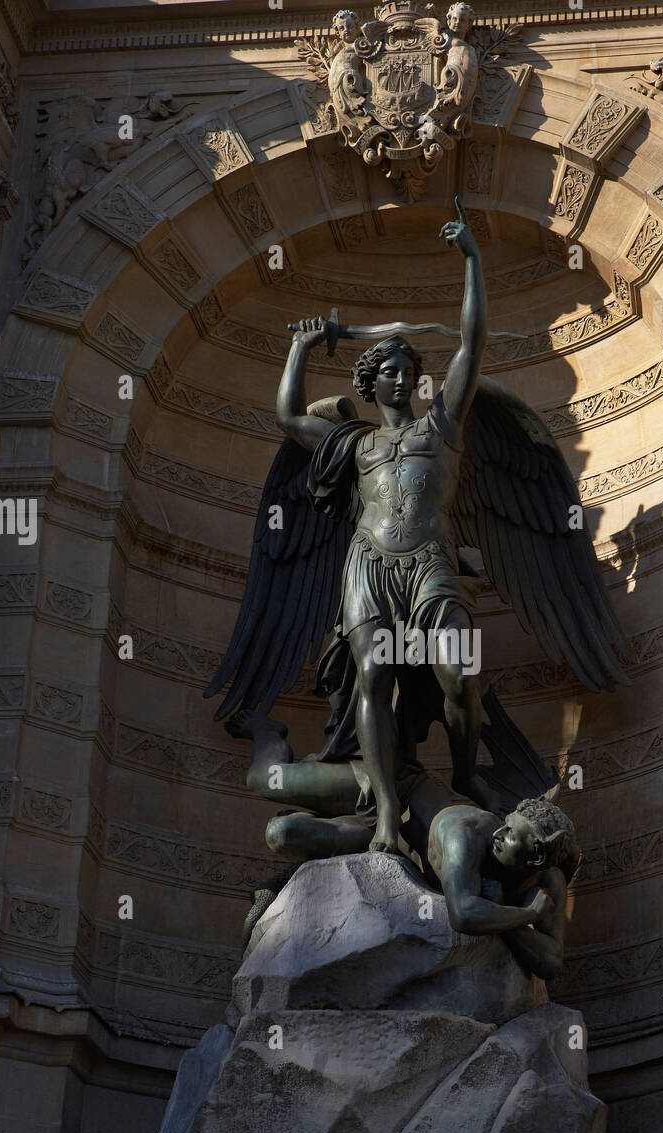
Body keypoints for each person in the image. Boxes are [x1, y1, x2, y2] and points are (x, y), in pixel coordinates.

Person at [274, 200, 488, 853]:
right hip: (369, 564)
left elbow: (472, 342)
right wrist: (299, 347)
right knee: (374, 677)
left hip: (427, 563)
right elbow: (287, 417)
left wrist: (473, 262)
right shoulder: (355, 444)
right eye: (390, 370)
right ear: (372, 382)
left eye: (409, 370)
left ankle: (466, 773)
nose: (402, 376)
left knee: (461, 672)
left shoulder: (440, 425)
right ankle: (390, 815)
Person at [231, 710, 578, 980]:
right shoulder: (468, 832)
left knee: (282, 833)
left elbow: (551, 961)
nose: (500, 833)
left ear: (535, 856)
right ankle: (267, 732)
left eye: (511, 834)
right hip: (390, 790)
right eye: (507, 824)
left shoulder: (549, 881)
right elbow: (464, 913)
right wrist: (526, 916)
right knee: (266, 778)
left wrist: (506, 918)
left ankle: (301, 843)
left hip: (393, 845)